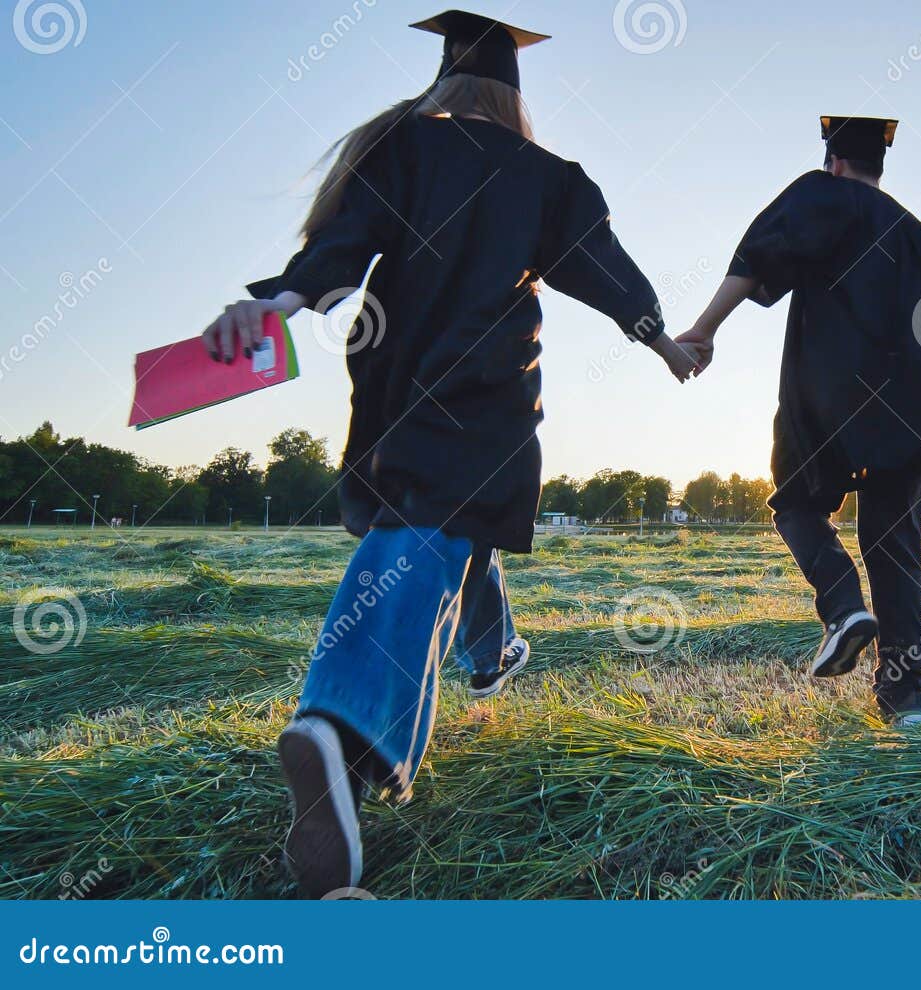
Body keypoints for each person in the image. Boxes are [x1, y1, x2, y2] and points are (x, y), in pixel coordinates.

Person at [202, 10, 700, 897]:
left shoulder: (401, 148)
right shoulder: (550, 177)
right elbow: (606, 270)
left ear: (445, 79)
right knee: (420, 541)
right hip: (486, 385)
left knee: (436, 520)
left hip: (390, 383)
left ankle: (492, 647)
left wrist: (275, 307)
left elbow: (338, 252)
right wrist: (664, 341)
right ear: (516, 94)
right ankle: (342, 728)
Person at [676, 116, 921, 728]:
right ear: (880, 165)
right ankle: (908, 700)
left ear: (834, 161)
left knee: (797, 503)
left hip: (825, 397)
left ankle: (843, 607)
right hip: (903, 414)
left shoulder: (822, 194)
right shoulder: (915, 234)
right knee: (895, 549)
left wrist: (704, 328)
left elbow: (756, 257)